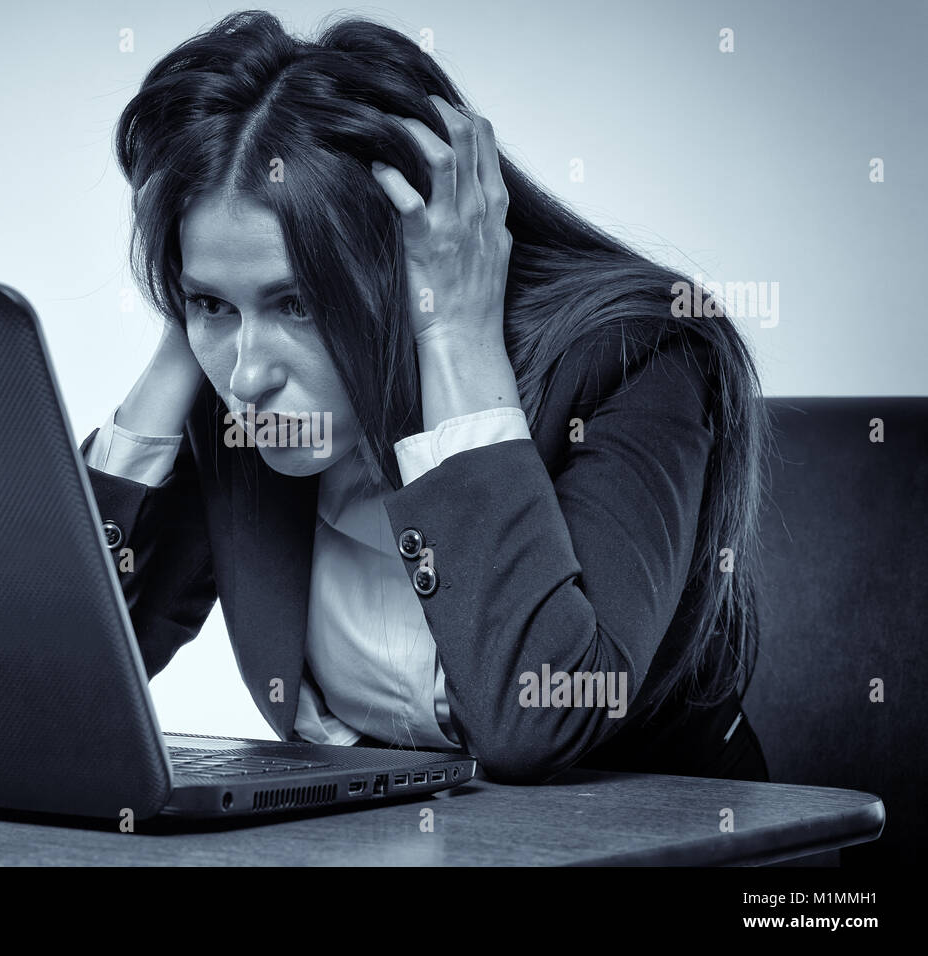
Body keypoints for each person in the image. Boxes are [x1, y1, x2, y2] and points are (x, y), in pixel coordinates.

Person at [79, 10, 772, 783]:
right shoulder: (243, 396)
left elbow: (536, 720)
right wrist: (182, 336)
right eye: (212, 305)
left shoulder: (633, 355)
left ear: (419, 265)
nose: (246, 376)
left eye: (299, 303)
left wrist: (454, 339)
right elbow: (66, 685)